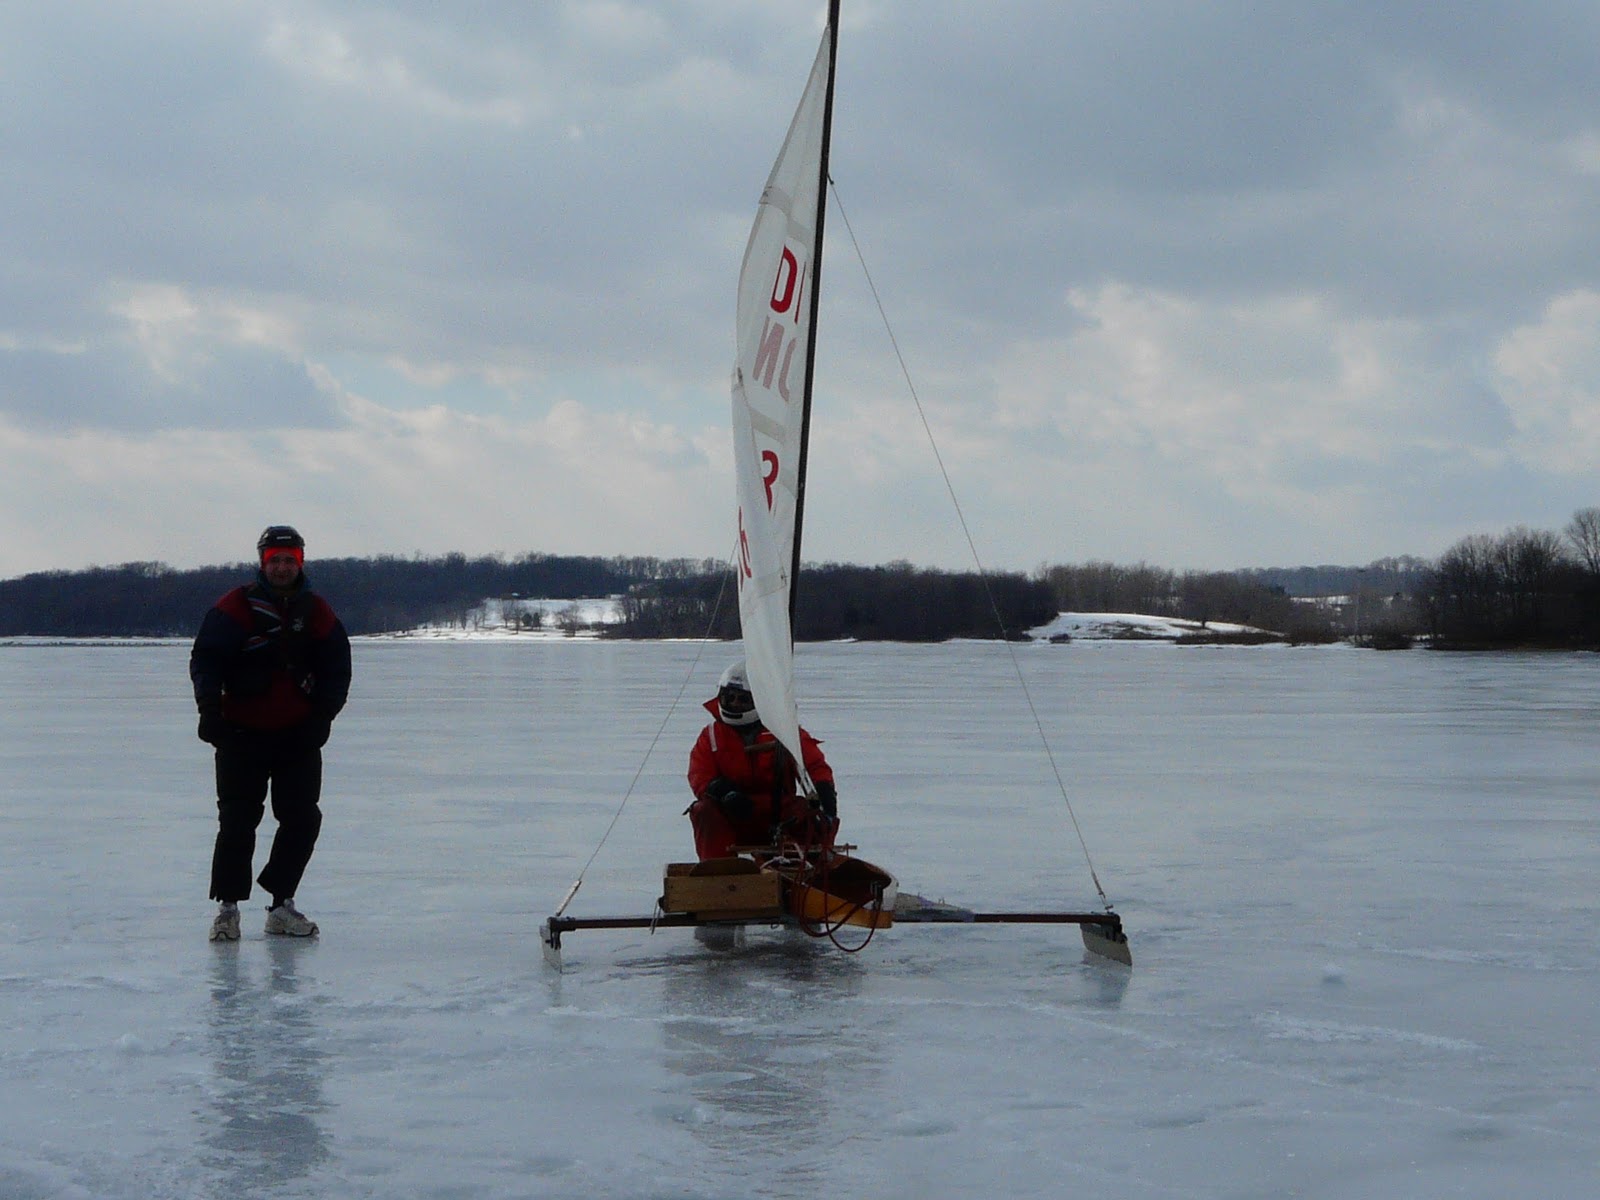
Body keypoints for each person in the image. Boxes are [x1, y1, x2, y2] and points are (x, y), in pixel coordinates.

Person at [191, 525, 351, 941]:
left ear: (300, 562)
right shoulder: (235, 607)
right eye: (274, 560)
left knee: (302, 820)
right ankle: (228, 909)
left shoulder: (316, 611)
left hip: (298, 736)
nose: (281, 567)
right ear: (262, 563)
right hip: (240, 734)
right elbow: (206, 661)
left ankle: (281, 905)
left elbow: (337, 667)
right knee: (237, 822)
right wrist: (209, 711)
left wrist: (323, 716)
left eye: (289, 560)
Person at [685, 660, 838, 860]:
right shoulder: (711, 735)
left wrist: (825, 794)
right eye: (729, 697)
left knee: (808, 814)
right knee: (703, 810)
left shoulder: (784, 730)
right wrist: (724, 792)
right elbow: (700, 774)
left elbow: (814, 765)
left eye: (743, 699)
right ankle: (718, 868)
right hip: (734, 814)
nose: (735, 704)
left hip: (779, 815)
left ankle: (810, 863)